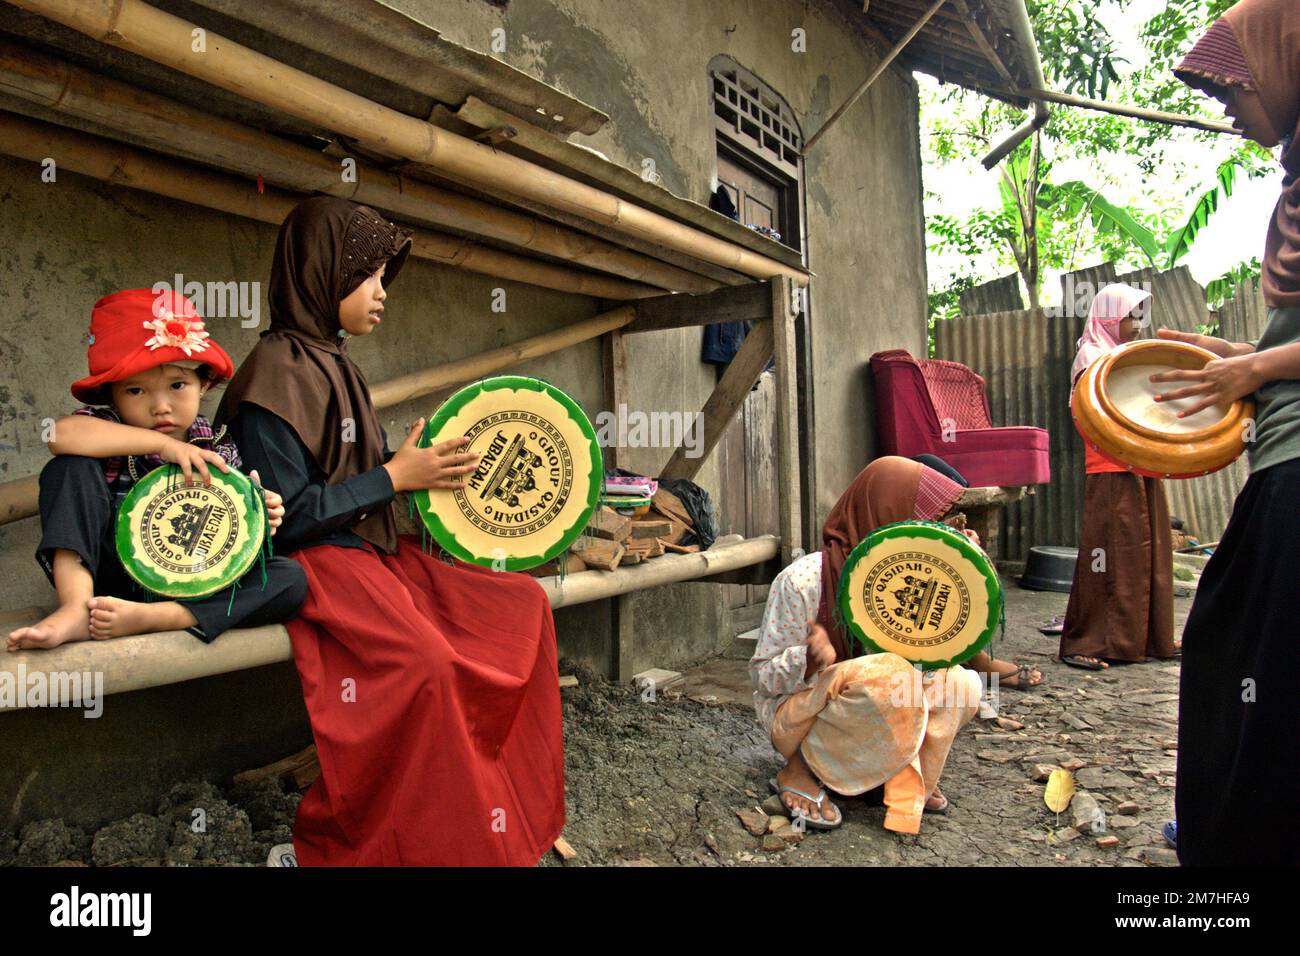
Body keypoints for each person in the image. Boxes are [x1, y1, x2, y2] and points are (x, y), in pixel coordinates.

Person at [217, 196, 565, 866]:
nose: (382, 293)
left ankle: (495, 817)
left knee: (520, 609)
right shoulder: (271, 377)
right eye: (369, 275)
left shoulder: (333, 361)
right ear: (322, 273)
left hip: (375, 555)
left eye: (383, 277)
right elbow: (289, 520)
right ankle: (362, 844)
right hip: (318, 563)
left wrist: (409, 468)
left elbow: (358, 479)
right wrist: (393, 477)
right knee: (428, 667)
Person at [1158, 0, 1300, 866]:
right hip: (1280, 457)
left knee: (1254, 664)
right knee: (1232, 647)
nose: (1228, 111)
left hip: (1297, 468)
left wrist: (1252, 372)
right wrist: (1243, 355)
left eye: (1234, 91)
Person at [6, 289, 300, 652]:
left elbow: (233, 538)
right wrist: (164, 446)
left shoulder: (217, 445)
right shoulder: (104, 427)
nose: (160, 406)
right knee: (68, 468)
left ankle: (164, 616)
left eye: (177, 385)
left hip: (191, 582)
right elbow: (58, 434)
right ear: (112, 396)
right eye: (135, 391)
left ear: (204, 382)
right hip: (111, 581)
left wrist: (258, 518)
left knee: (291, 579)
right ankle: (75, 607)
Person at [750, 456, 1004, 835]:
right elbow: (762, 679)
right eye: (924, 521)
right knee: (890, 673)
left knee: (961, 684)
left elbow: (934, 665)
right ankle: (801, 770)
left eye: (937, 522)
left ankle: (894, 774)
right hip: (801, 718)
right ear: (887, 514)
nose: (932, 531)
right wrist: (807, 658)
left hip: (878, 712)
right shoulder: (803, 580)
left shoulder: (915, 577)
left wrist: (965, 575)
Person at [1057, 284, 1177, 670]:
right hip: (1111, 466)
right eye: (1129, 316)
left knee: (1147, 553)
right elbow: (1092, 417)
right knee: (1107, 554)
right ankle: (1086, 641)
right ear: (1109, 317)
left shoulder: (1123, 357)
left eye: (1140, 316)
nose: (1138, 324)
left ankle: (1145, 639)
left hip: (1142, 462)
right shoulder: (1092, 358)